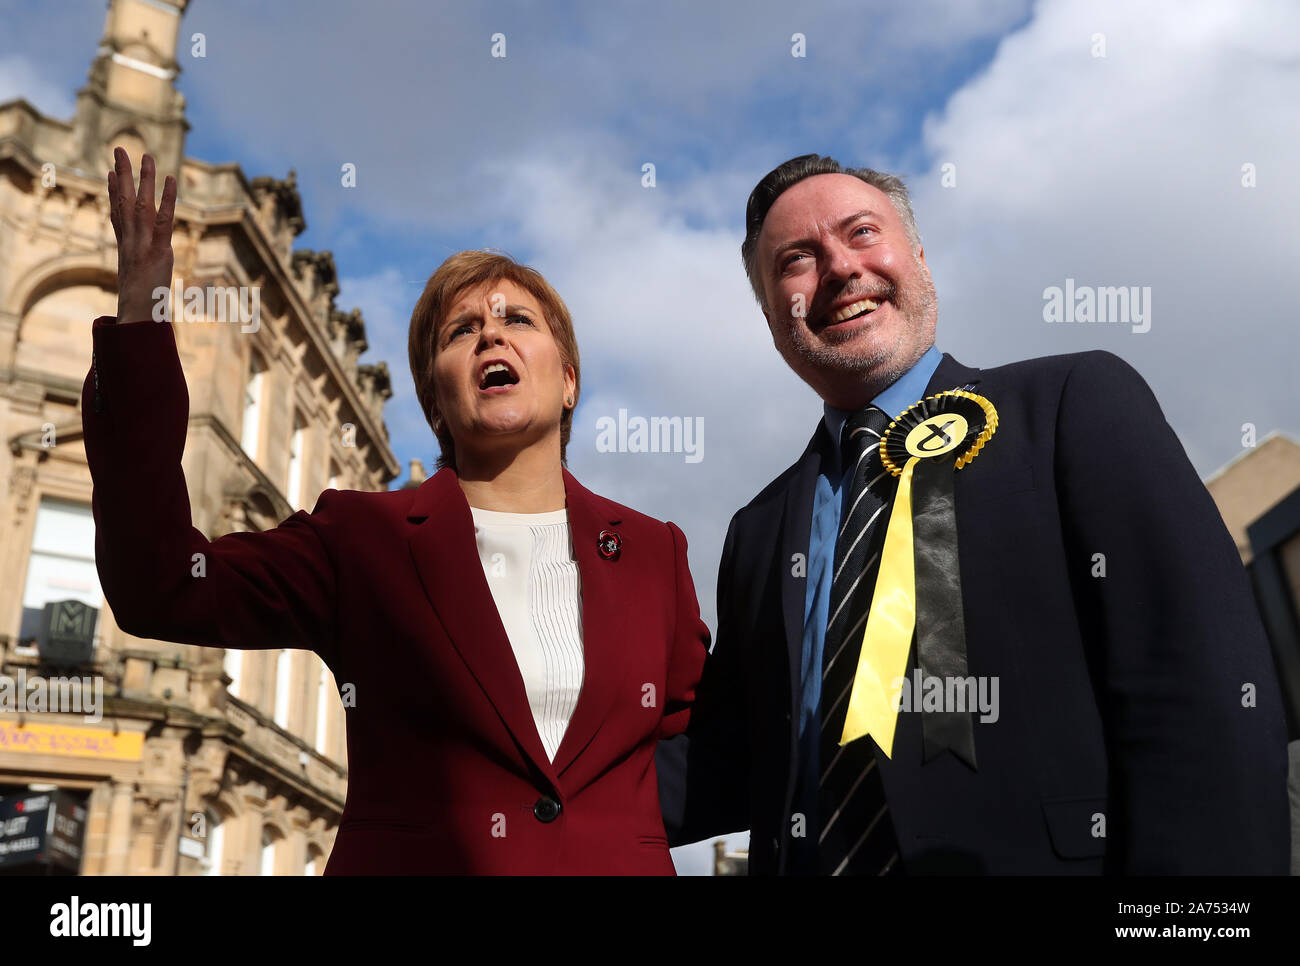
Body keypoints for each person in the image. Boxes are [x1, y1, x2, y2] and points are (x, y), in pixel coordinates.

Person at [656, 153, 1290, 874]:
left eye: (861, 233)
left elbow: (1198, 690)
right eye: (796, 259)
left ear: (919, 259)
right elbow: (726, 762)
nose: (838, 267)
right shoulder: (758, 530)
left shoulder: (1072, 406)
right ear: (773, 315)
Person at [87, 147, 709, 874]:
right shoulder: (361, 539)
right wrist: (141, 323)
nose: (491, 334)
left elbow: (703, 750)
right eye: (461, 330)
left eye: (518, 321)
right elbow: (161, 586)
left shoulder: (652, 552)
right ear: (437, 400)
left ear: (568, 381)